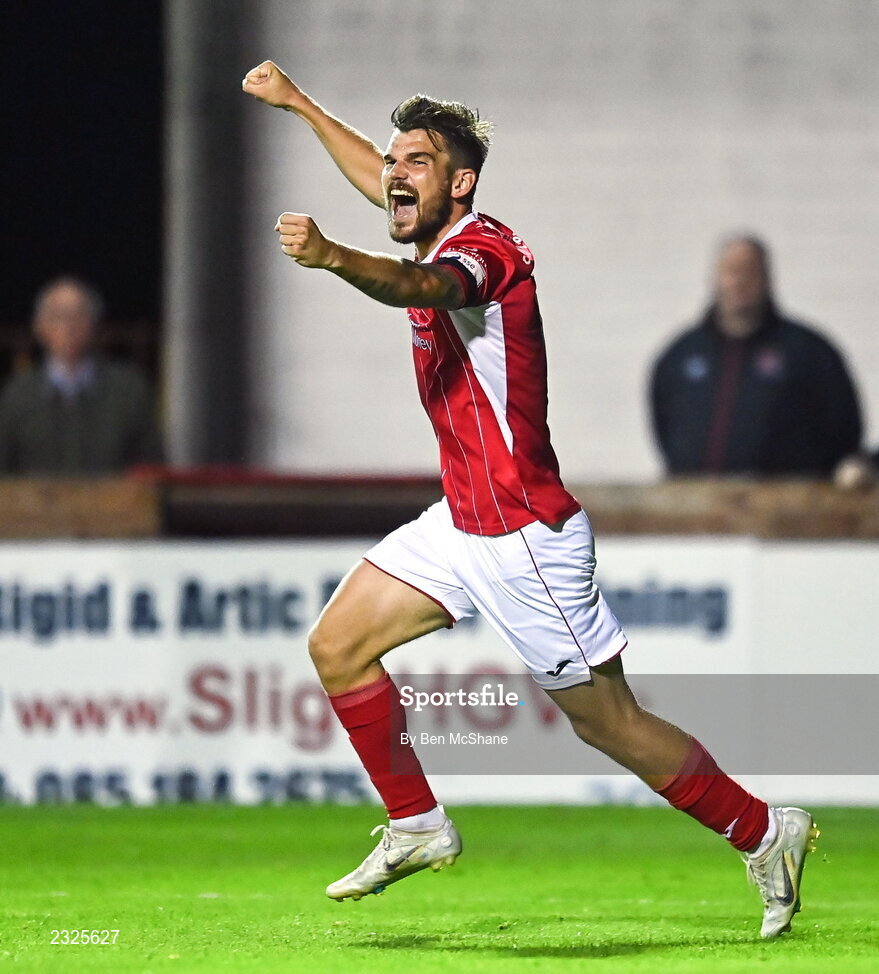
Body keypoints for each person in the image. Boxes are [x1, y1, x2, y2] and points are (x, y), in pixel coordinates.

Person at [242, 61, 818, 938]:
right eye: (393, 161)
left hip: (522, 534)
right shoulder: (428, 220)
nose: (394, 174)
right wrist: (297, 104)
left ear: (460, 182)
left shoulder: (483, 252)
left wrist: (330, 257)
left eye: (417, 162)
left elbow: (420, 287)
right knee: (338, 646)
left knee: (612, 726)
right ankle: (417, 825)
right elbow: (376, 180)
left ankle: (764, 830)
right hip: (462, 522)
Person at [650, 235, 862, 476]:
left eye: (749, 271)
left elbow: (844, 433)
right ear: (714, 278)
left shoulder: (809, 353)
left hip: (788, 507)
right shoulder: (680, 356)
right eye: (731, 271)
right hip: (696, 504)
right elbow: (663, 426)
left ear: (767, 279)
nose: (739, 281)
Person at [0, 276, 162, 475]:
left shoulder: (129, 392)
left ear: (94, 325)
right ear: (40, 327)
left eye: (78, 316)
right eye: (58, 316)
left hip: (111, 504)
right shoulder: (18, 396)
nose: (69, 327)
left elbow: (152, 467)